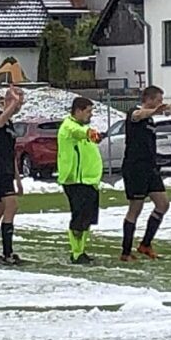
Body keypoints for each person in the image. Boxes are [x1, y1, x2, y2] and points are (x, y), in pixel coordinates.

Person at [120, 86, 170, 261]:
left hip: (150, 168)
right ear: (148, 99)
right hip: (135, 169)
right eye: (158, 100)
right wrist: (153, 111)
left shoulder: (151, 121)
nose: (160, 104)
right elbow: (137, 116)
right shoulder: (135, 112)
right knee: (135, 208)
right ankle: (125, 252)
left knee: (163, 204)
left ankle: (145, 244)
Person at [58, 97, 105, 265]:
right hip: (75, 180)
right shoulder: (69, 127)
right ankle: (76, 253)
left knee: (88, 218)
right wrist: (90, 134)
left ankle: (81, 251)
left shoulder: (82, 127)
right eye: (88, 111)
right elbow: (77, 132)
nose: (90, 115)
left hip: (89, 180)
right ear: (78, 111)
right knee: (79, 218)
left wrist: (94, 136)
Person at [0, 86, 26, 265]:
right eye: (19, 103)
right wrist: (13, 102)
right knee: (11, 206)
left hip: (7, 170)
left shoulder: (10, 123)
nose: (19, 107)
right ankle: (7, 252)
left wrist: (18, 179)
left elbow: (11, 153)